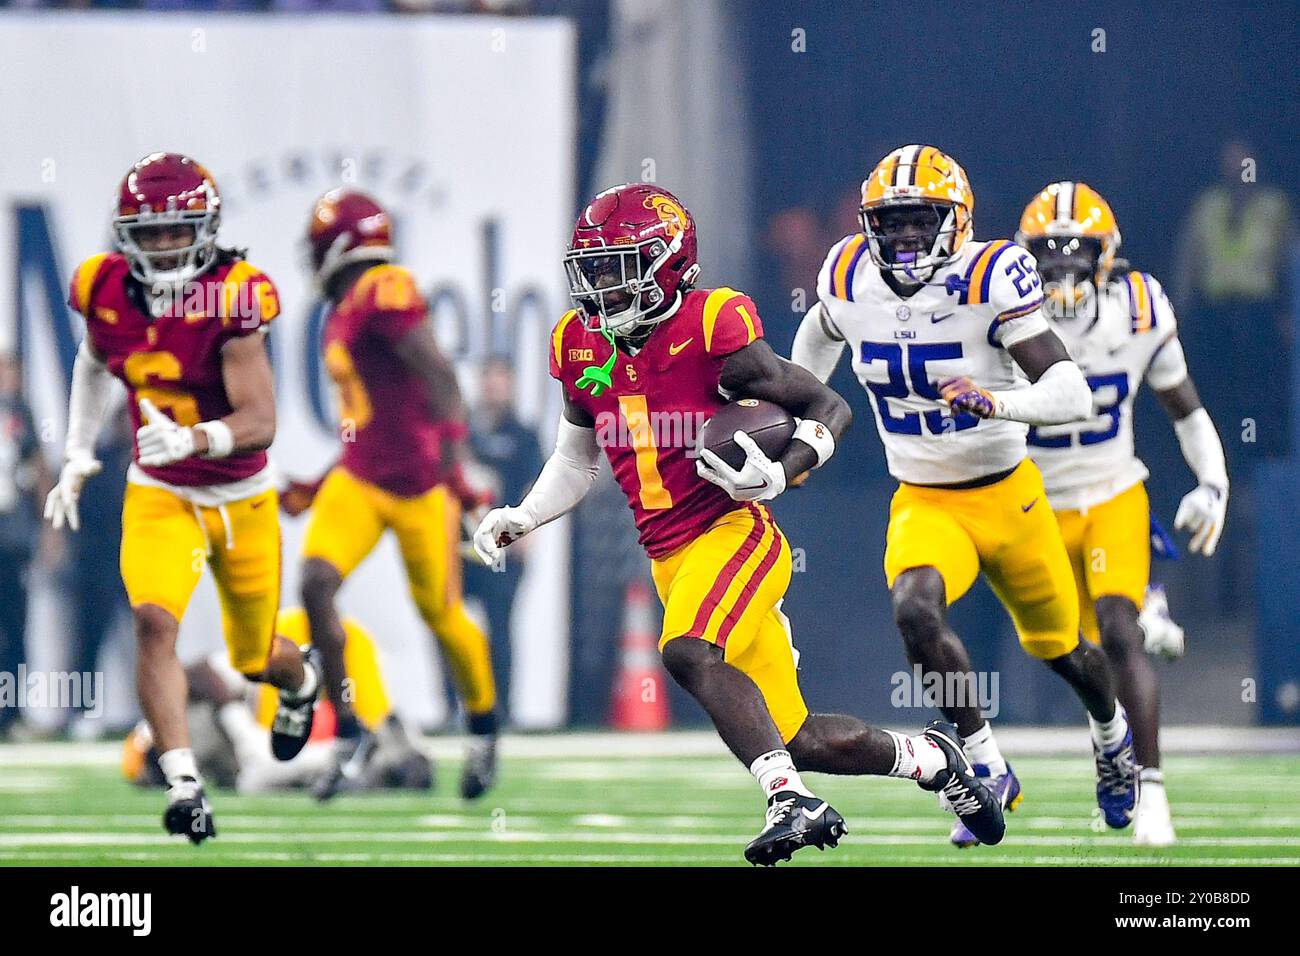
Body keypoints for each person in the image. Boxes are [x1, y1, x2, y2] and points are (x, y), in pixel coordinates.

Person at [474, 183, 1004, 865]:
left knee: (688, 652)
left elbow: (827, 406)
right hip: (669, 558)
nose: (603, 286)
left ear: (668, 264)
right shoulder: (577, 342)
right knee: (804, 736)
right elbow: (576, 462)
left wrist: (782, 473)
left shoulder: (713, 326)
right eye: (595, 269)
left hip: (733, 534)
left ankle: (789, 800)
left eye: (619, 267)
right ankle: (931, 759)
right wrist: (524, 514)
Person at [791, 145, 1136, 847]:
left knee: (1065, 651)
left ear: (958, 220)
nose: (907, 236)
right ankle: (984, 762)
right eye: (892, 223)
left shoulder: (992, 273)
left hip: (1010, 495)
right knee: (914, 609)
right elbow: (821, 331)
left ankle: (1112, 735)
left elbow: (1070, 391)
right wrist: (801, 408)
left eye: (922, 221)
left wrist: (998, 403)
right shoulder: (848, 274)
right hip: (924, 495)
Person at [45, 152, 318, 843]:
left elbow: (261, 421)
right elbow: (95, 360)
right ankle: (185, 785)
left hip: (241, 495)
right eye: (152, 231)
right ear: (126, 235)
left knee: (256, 657)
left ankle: (301, 684)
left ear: (207, 228)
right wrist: (77, 451)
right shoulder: (102, 288)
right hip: (159, 493)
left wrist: (197, 442)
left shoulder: (234, 293)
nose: (166, 245)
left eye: (178, 230)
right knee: (153, 622)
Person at [1016, 182, 1230, 845]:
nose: (1061, 266)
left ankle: (1153, 791)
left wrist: (1213, 481)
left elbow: (1183, 404)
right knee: (1083, 660)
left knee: (1118, 630)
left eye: (1075, 251)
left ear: (1105, 255)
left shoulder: (1137, 309)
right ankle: (1149, 601)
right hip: (1039, 505)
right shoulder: (1004, 314)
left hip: (1111, 490)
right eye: (1047, 253)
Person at [287, 189, 499, 801]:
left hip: (418, 488)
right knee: (316, 585)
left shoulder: (384, 288)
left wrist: (457, 472)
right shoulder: (343, 309)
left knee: (442, 616)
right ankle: (349, 728)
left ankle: (482, 727)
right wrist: (318, 482)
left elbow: (440, 375)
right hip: (358, 480)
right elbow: (369, 422)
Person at [464, 356, 543, 717]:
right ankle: (459, 704)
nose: (493, 386)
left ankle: (503, 708)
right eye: (488, 378)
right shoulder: (464, 432)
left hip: (502, 547)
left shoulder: (522, 436)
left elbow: (536, 484)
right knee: (453, 625)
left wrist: (529, 531)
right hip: (463, 546)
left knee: (500, 628)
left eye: (500, 378)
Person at [0, 353, 53, 740]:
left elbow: (37, 469)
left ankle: (12, 713)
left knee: (15, 630)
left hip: (12, 540)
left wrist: (50, 528)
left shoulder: (22, 414)